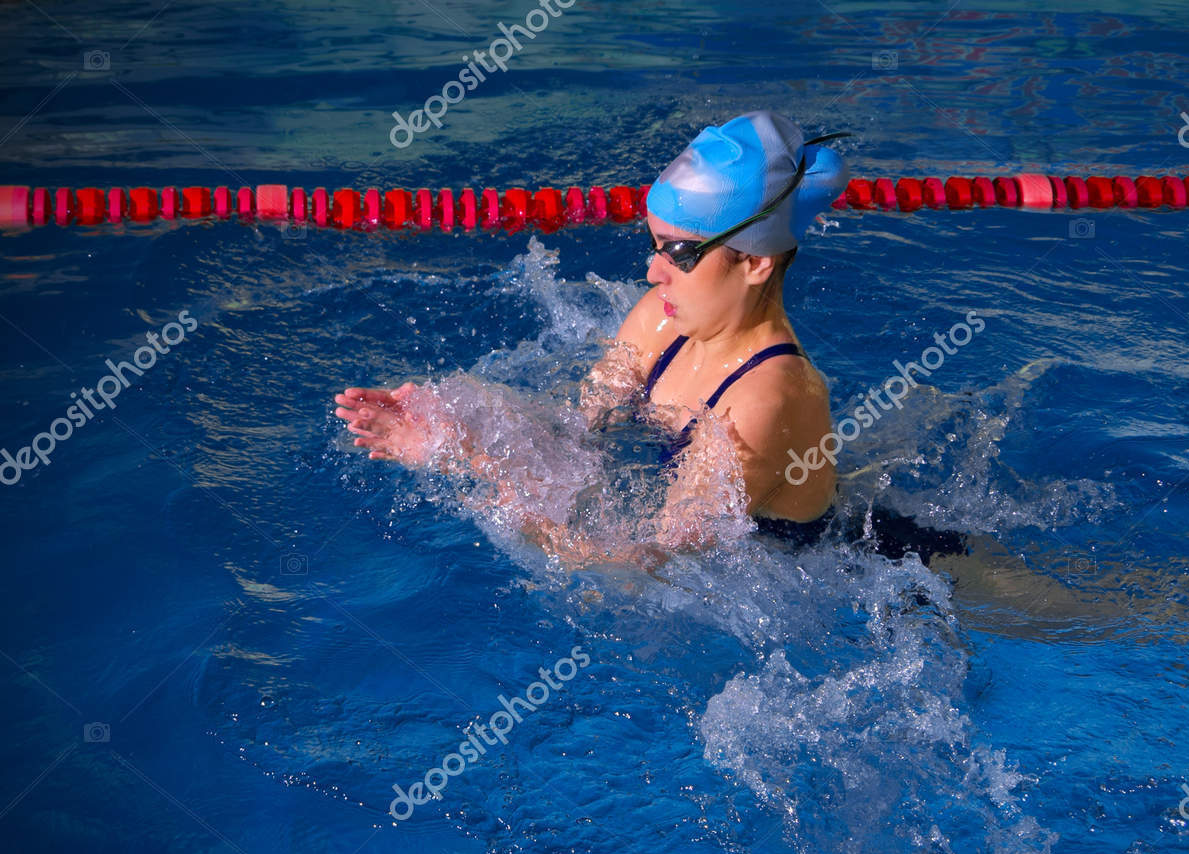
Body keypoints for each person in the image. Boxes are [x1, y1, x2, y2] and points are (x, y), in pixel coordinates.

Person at [334, 111, 852, 566]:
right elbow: (573, 434)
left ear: (756, 263)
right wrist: (452, 421)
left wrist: (467, 465)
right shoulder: (659, 322)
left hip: (845, 575)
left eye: (681, 254)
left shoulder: (764, 398)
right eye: (654, 246)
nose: (653, 274)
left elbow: (645, 567)